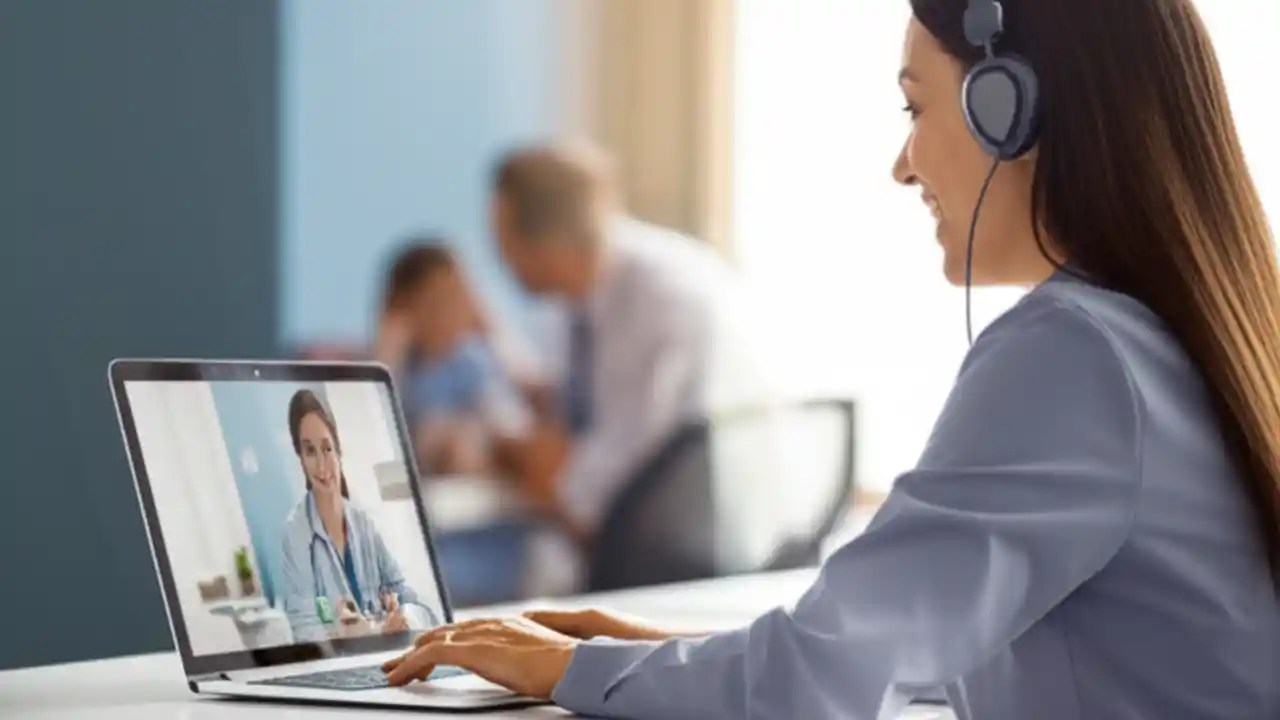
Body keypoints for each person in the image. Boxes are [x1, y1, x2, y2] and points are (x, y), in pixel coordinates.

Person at [381, 0, 1280, 717]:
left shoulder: (1074, 355)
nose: (902, 163)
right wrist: (652, 658)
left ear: (1011, 110)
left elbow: (815, 688)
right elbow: (943, 659)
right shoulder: (1178, 339)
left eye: (915, 108)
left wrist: (572, 672)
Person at [488, 141, 769, 540]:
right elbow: (562, 415)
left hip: (697, 544)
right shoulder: (578, 301)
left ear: (544, 246)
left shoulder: (664, 299)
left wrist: (531, 460)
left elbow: (610, 483)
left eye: (502, 236)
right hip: (654, 537)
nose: (499, 254)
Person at [278, 389, 440, 643]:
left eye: (327, 449)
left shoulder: (363, 522)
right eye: (310, 451)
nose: (321, 466)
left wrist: (406, 618)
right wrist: (341, 635)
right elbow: (303, 632)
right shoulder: (296, 533)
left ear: (339, 450)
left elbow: (417, 604)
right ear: (300, 458)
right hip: (341, 665)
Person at [374, 241, 533, 476]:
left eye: (457, 299)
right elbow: (374, 425)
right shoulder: (399, 370)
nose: (450, 314)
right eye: (435, 304)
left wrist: (493, 330)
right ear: (402, 309)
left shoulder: (472, 363)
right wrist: (387, 352)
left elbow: (511, 419)